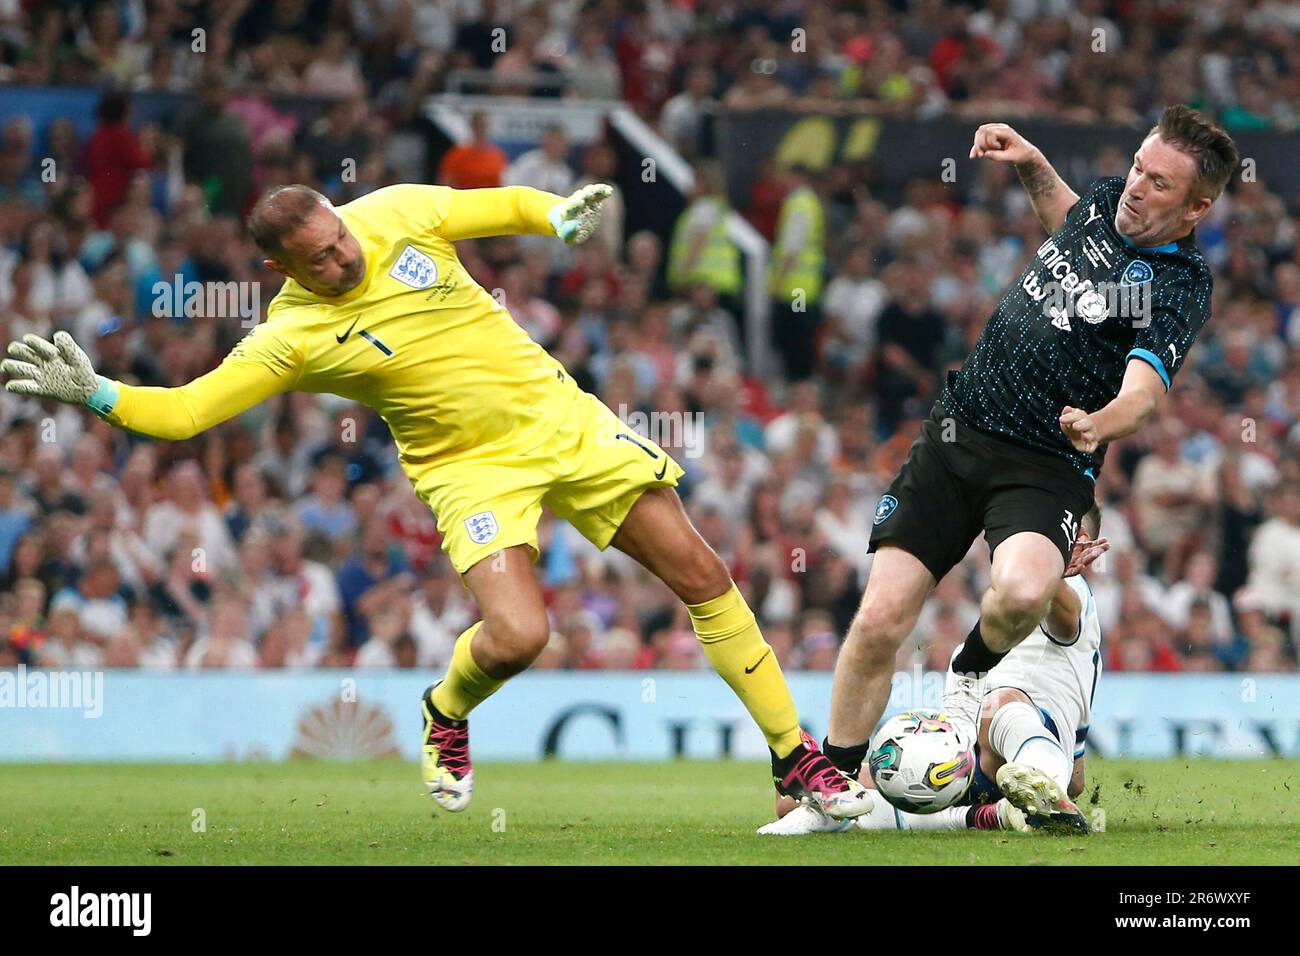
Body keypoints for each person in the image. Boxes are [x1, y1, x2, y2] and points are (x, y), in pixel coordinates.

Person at [3, 179, 869, 820]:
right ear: (281, 268)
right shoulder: (291, 337)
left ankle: (794, 758)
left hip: (564, 421)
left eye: (338, 237)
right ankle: (446, 708)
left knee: (704, 574)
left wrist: (557, 214)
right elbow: (188, 412)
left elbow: (498, 207)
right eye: (320, 257)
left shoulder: (396, 212)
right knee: (523, 635)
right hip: (469, 471)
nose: (343, 255)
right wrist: (99, 395)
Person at [822, 106, 1239, 784]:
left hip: (1046, 464)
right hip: (961, 430)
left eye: (1159, 183)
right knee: (877, 620)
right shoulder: (1106, 201)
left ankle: (966, 676)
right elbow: (1068, 222)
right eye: (1138, 166)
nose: (1136, 185)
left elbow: (1142, 392)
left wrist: (1100, 423)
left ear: (1195, 207)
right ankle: (830, 783)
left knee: (1021, 591)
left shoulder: (1179, 285)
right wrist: (1031, 162)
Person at [762, 507, 1108, 836]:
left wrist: (1051, 571)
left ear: (1075, 537)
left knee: (1001, 705)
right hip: (981, 760)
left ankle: (1015, 792)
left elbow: (1067, 618)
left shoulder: (1067, 590)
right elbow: (1075, 781)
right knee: (795, 800)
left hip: (1001, 740)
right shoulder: (1024, 609)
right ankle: (995, 814)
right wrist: (1057, 773)